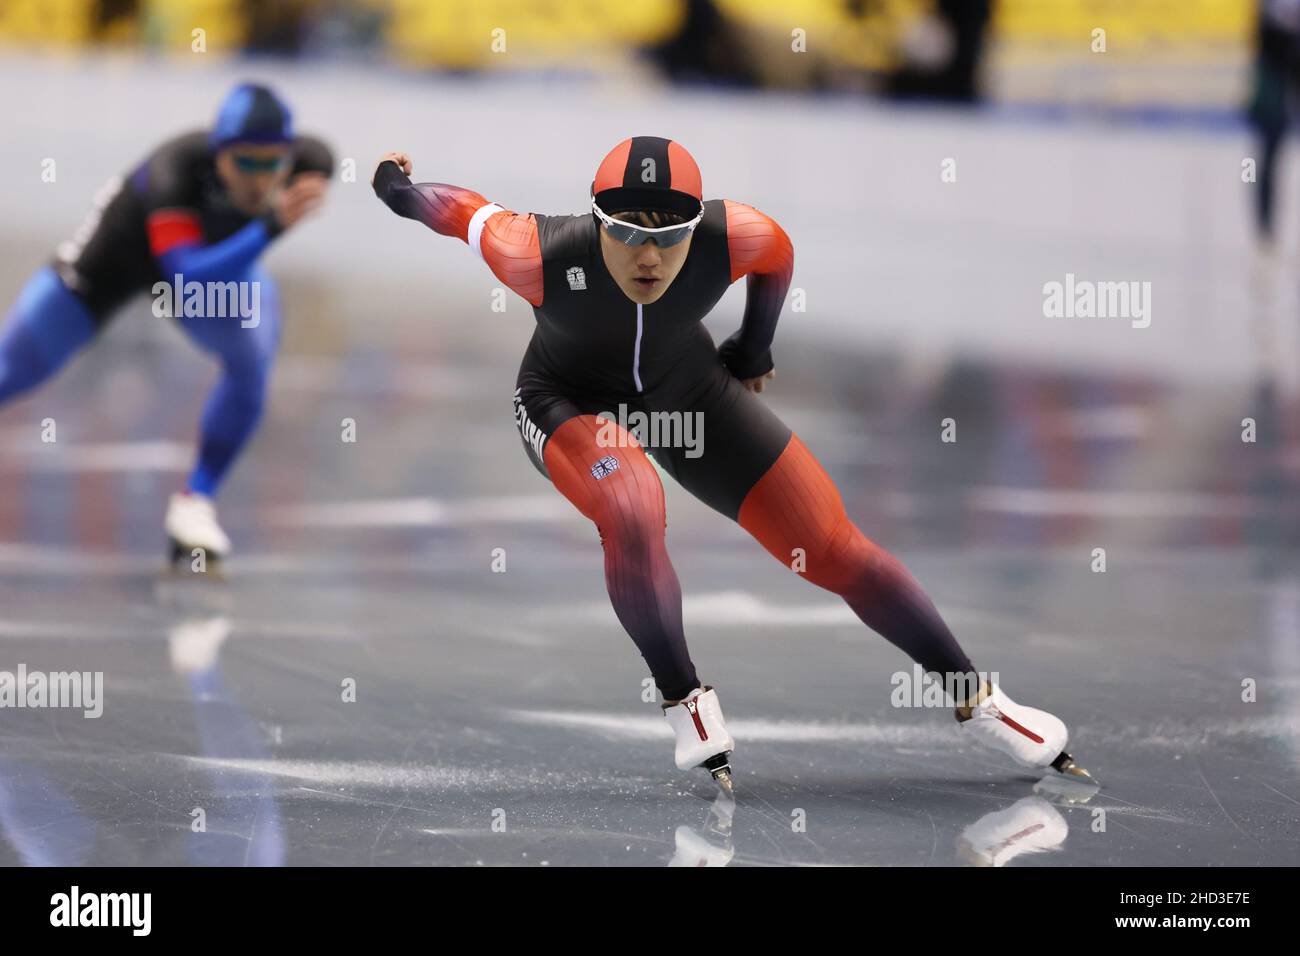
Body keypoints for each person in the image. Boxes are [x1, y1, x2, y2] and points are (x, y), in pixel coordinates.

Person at [371, 136, 1093, 789]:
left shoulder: (737, 234)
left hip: (686, 389)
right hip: (566, 402)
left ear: (697, 228)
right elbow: (456, 210)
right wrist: (398, 189)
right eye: (624, 232)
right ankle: (684, 697)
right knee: (632, 505)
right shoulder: (534, 251)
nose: (646, 256)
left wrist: (753, 350)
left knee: (832, 548)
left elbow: (776, 256)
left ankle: (980, 698)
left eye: (669, 236)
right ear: (596, 223)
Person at [0, 83, 333, 567]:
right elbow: (185, 273)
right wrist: (270, 227)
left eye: (273, 163)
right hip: (113, 262)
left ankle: (196, 501)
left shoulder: (309, 162)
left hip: (209, 270)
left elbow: (322, 158)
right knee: (13, 369)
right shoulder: (172, 171)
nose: (261, 181)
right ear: (219, 155)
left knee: (253, 349)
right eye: (246, 163)